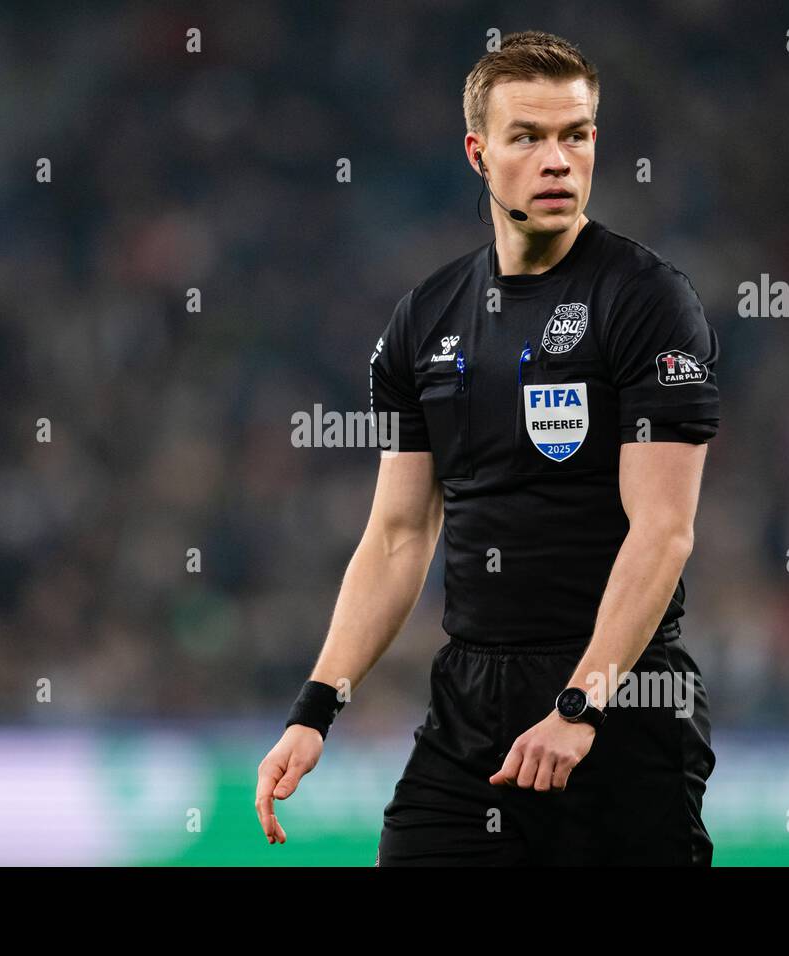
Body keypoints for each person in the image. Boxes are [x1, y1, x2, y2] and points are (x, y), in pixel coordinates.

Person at [257, 30, 720, 865]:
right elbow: (399, 536)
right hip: (470, 709)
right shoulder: (425, 319)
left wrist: (580, 707)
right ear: (478, 152)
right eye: (528, 137)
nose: (557, 160)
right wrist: (315, 708)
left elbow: (663, 529)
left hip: (624, 705)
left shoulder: (650, 303)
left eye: (575, 135)